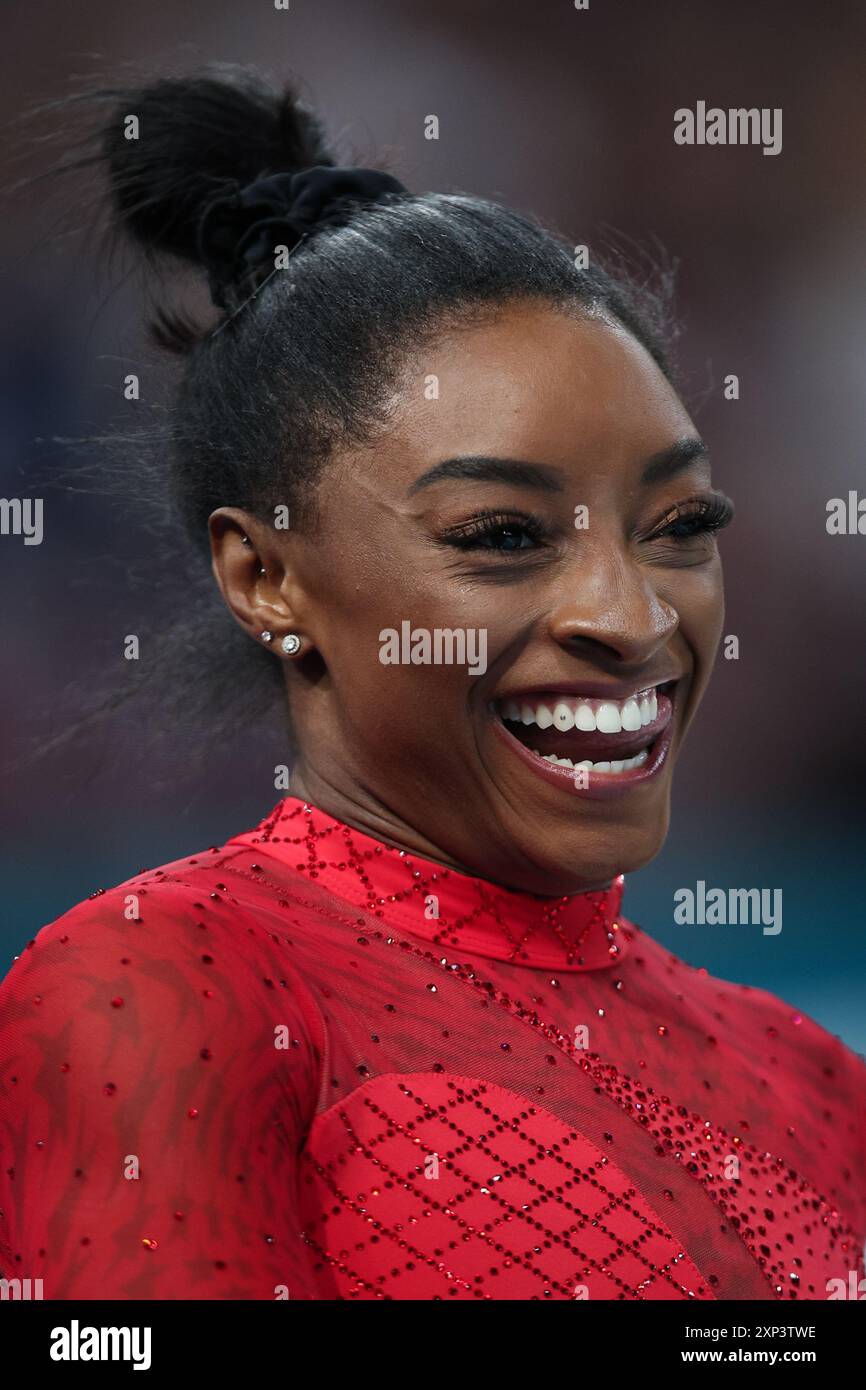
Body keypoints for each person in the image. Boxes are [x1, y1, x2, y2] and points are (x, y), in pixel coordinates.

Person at [1, 69, 863, 1302]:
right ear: (265, 576)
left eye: (679, 523)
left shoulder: (813, 1084)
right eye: (502, 536)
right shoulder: (160, 992)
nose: (629, 618)